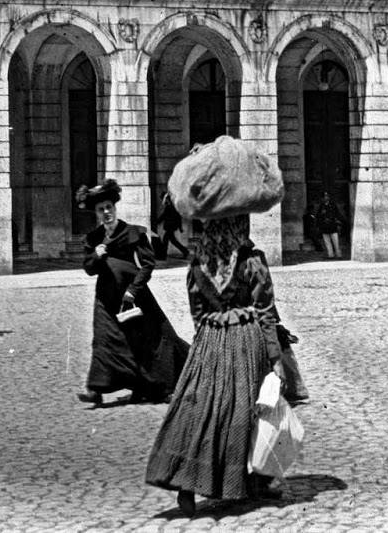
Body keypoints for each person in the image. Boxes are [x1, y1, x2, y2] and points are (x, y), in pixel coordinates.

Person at [145, 135, 296, 517]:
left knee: (199, 409)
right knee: (249, 412)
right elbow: (265, 311)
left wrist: (206, 339)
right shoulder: (251, 260)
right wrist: (275, 359)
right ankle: (257, 480)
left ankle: (186, 482)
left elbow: (196, 309)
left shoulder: (198, 263)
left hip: (210, 340)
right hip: (246, 342)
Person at [76, 179, 190, 408]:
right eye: (101, 209)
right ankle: (95, 390)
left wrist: (133, 290)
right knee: (104, 339)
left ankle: (164, 387)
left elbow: (147, 264)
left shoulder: (133, 232)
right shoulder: (94, 239)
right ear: (96, 213)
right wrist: (96, 255)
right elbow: (89, 269)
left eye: (109, 207)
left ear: (115, 207)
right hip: (106, 299)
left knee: (152, 339)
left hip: (135, 297)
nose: (106, 212)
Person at [155, 192, 188, 260]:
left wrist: (180, 227)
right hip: (170, 226)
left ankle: (163, 256)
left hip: (171, 226)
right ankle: (185, 251)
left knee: (165, 241)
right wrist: (158, 221)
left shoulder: (172, 206)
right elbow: (164, 216)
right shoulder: (169, 206)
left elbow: (177, 217)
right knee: (172, 241)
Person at [312, 192, 344, 260]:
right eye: (324, 197)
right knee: (327, 242)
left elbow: (337, 214)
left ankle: (338, 255)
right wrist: (321, 215)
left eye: (326, 196)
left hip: (332, 226)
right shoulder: (321, 206)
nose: (325, 198)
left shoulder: (333, 205)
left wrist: (336, 222)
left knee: (336, 242)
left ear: (328, 197)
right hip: (324, 227)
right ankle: (330, 254)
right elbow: (318, 216)